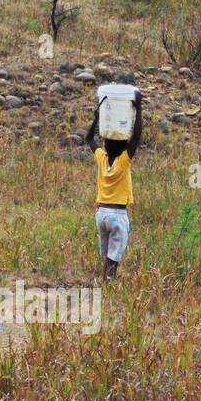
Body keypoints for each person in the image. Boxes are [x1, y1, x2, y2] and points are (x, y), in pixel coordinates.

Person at [86, 89, 143, 280]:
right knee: (115, 255)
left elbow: (89, 139)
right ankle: (108, 283)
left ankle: (106, 279)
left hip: (101, 214)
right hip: (118, 215)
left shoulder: (102, 158)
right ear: (123, 148)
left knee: (108, 253)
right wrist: (139, 109)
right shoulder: (123, 162)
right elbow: (135, 139)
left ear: (106, 146)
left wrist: (97, 118)